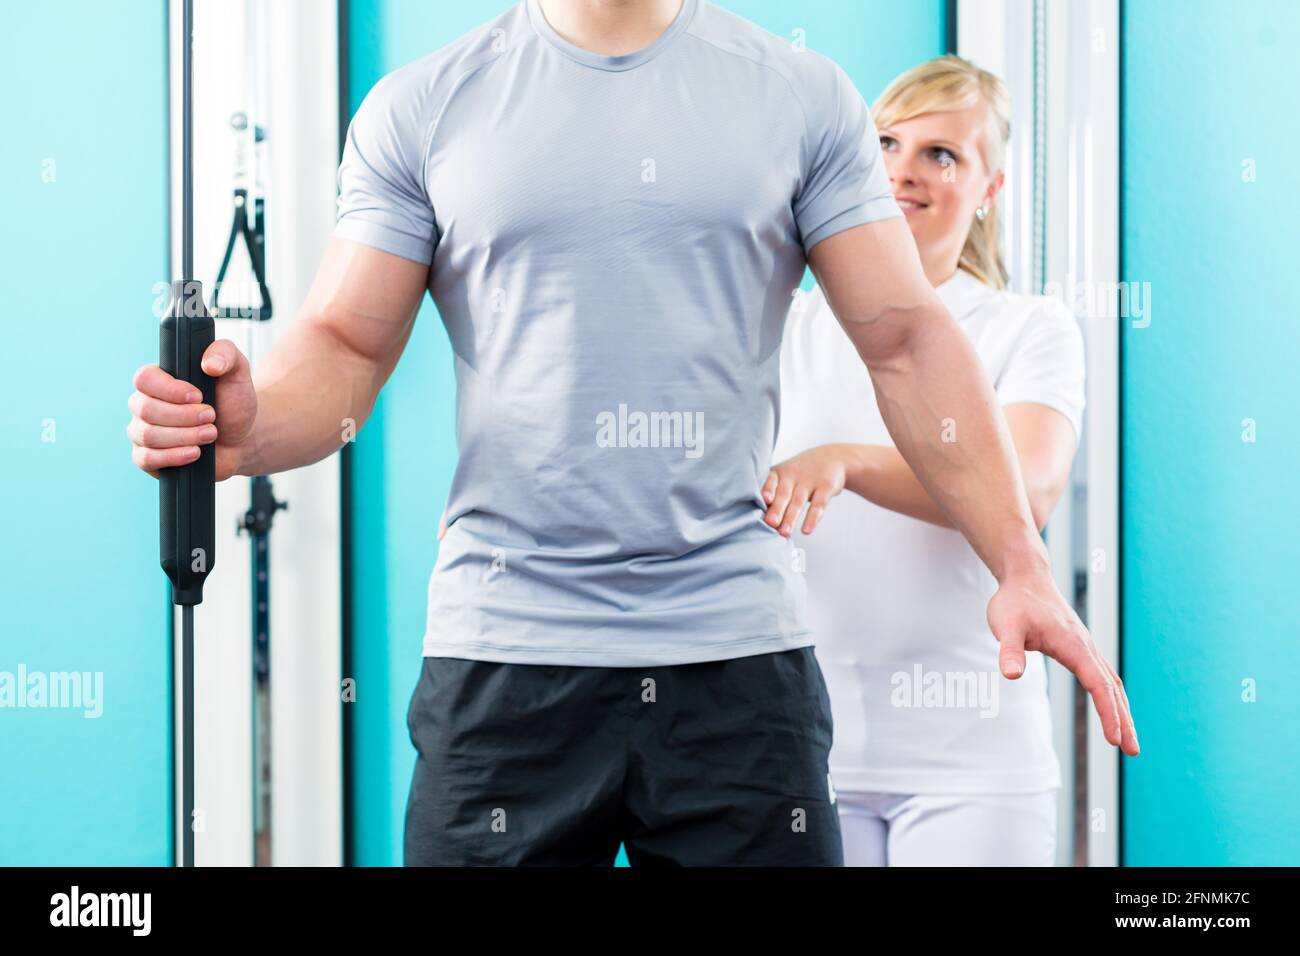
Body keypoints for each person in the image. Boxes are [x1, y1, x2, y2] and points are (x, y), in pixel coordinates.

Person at [126, 0, 1137, 866]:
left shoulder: (799, 97)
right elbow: (345, 346)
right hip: (504, 657)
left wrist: (1018, 556)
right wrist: (249, 430)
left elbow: (907, 338)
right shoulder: (423, 106)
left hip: (738, 662)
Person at [765, 55, 1084, 866]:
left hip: (973, 764)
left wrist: (845, 462)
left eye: (942, 155)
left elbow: (1030, 486)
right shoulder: (788, 328)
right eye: (886, 144)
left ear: (989, 190)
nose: (903, 172)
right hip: (802, 755)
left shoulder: (1028, 327)